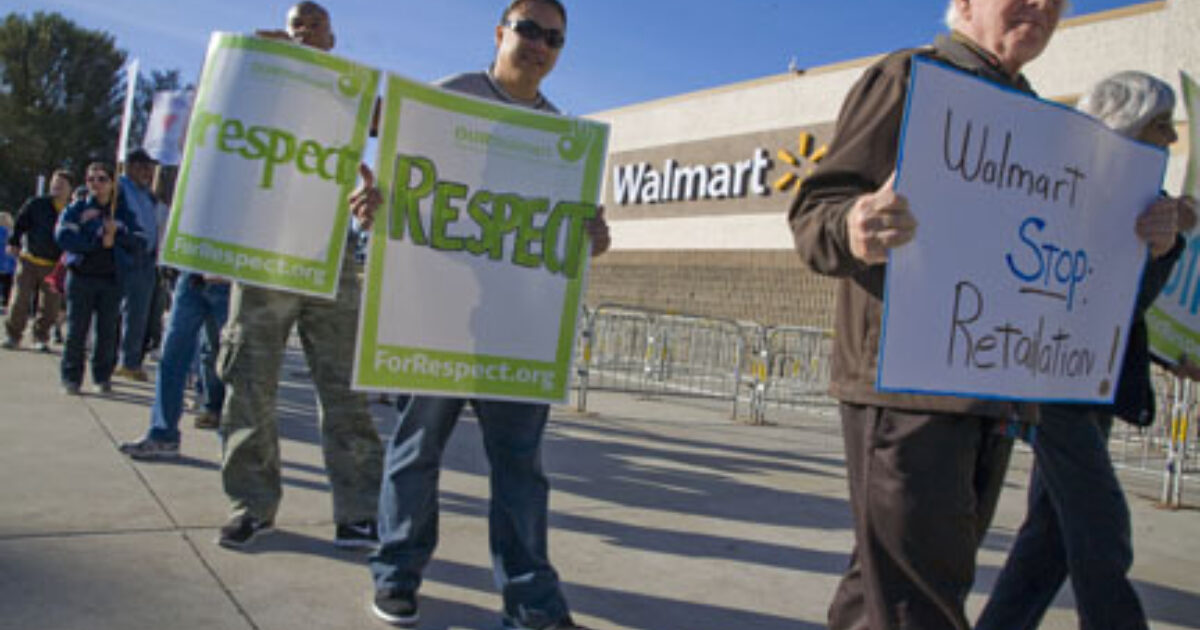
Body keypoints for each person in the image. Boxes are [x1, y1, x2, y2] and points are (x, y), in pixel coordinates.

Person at [788, 1, 1069, 628]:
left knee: (886, 589)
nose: (1043, 6)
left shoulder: (1039, 122)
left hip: (993, 392)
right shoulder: (908, 78)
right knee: (919, 600)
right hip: (907, 388)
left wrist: (1150, 231)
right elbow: (815, 211)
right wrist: (852, 225)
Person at [366, 2, 609, 628]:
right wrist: (368, 206)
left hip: (514, 328)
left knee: (521, 470)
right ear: (501, 33)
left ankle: (531, 601)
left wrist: (591, 235)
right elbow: (392, 187)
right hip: (437, 315)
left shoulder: (562, 138)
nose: (541, 45)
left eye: (555, 38)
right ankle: (396, 573)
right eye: (529, 29)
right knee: (416, 450)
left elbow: (561, 235)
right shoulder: (446, 101)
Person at [975, 71, 1187, 630]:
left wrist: (1175, 354)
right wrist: (1163, 250)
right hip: (1052, 386)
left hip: (1093, 384)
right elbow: (1089, 299)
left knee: (1048, 540)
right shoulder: (1066, 191)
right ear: (1125, 127)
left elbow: (1130, 313)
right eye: (1158, 124)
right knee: (1101, 526)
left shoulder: (1148, 203)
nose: (1169, 138)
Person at [214, 0, 384, 551]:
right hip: (262, 257)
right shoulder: (257, 90)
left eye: (315, 26)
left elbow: (399, 125)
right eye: (295, 26)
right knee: (249, 384)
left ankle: (359, 509)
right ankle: (252, 503)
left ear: (332, 42)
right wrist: (255, 61)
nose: (305, 31)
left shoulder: (350, 97)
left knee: (345, 389)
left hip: (328, 258)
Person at [116, 272, 230, 459]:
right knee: (171, 358)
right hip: (193, 276)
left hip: (233, 278)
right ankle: (163, 435)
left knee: (231, 364)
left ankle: (233, 444)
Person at [55, 162, 146, 395]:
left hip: (111, 279)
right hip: (81, 277)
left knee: (107, 332)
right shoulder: (77, 209)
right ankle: (71, 378)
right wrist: (96, 242)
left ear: (112, 183)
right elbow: (64, 236)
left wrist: (116, 238)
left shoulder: (123, 212)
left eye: (102, 179)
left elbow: (139, 242)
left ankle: (102, 376)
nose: (96, 184)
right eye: (91, 179)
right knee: (76, 331)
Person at [3, 169, 71, 351]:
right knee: (19, 300)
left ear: (69, 189)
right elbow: (20, 223)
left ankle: (41, 337)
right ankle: (12, 335)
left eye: (62, 184)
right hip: (29, 259)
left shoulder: (72, 209)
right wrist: (14, 241)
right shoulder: (36, 204)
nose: (57, 187)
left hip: (55, 265)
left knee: (50, 306)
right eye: (55, 183)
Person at [113, 148, 161, 382]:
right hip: (128, 254)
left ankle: (130, 361)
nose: (148, 172)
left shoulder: (148, 195)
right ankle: (121, 360)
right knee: (122, 312)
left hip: (148, 258)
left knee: (140, 314)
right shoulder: (119, 189)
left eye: (150, 168)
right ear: (130, 167)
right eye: (143, 167)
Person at [0, 213, 15, 312]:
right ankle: (5, 305)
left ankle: (5, 304)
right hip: (10, 265)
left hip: (6, 263)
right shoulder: (12, 232)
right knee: (8, 286)